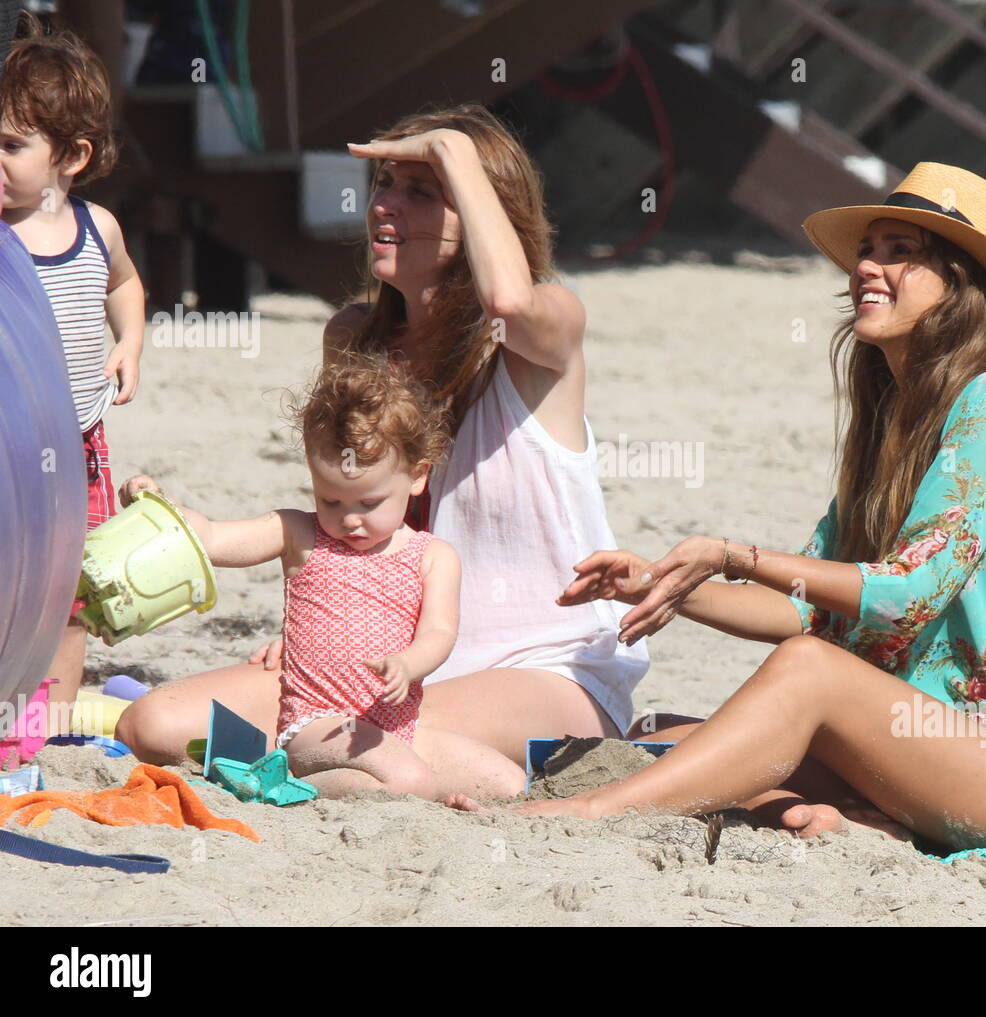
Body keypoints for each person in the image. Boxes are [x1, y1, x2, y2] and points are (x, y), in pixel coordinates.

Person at [452, 164, 986, 867]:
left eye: (899, 251)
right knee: (665, 736)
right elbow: (813, 609)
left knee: (802, 674)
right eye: (867, 250)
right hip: (930, 741)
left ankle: (590, 812)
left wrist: (734, 555)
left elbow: (905, 592)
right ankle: (848, 820)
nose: (867, 267)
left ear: (960, 286)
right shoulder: (892, 420)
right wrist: (671, 586)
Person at [115, 105, 649, 797]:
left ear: (484, 216)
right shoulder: (355, 339)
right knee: (155, 720)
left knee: (369, 739)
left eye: (420, 192)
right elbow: (371, 521)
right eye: (385, 186)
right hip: (398, 656)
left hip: (548, 668)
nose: (384, 208)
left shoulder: (544, 330)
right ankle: (364, 769)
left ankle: (374, 772)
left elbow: (507, 300)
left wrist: (456, 150)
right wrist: (327, 630)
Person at [117, 358, 488, 799]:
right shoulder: (299, 532)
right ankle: (286, 784)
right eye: (330, 499)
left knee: (505, 780)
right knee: (409, 782)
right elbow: (214, 538)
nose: (349, 519)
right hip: (316, 723)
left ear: (417, 477)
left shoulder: (433, 556)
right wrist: (162, 507)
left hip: (394, 726)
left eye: (369, 503)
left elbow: (441, 633)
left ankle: (346, 786)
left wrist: (409, 664)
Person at [0, 15, 145, 733]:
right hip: (9, 451)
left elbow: (124, 285)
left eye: (10, 146)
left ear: (72, 157)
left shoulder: (98, 229)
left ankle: (47, 724)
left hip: (79, 450)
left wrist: (130, 341)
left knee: (73, 591)